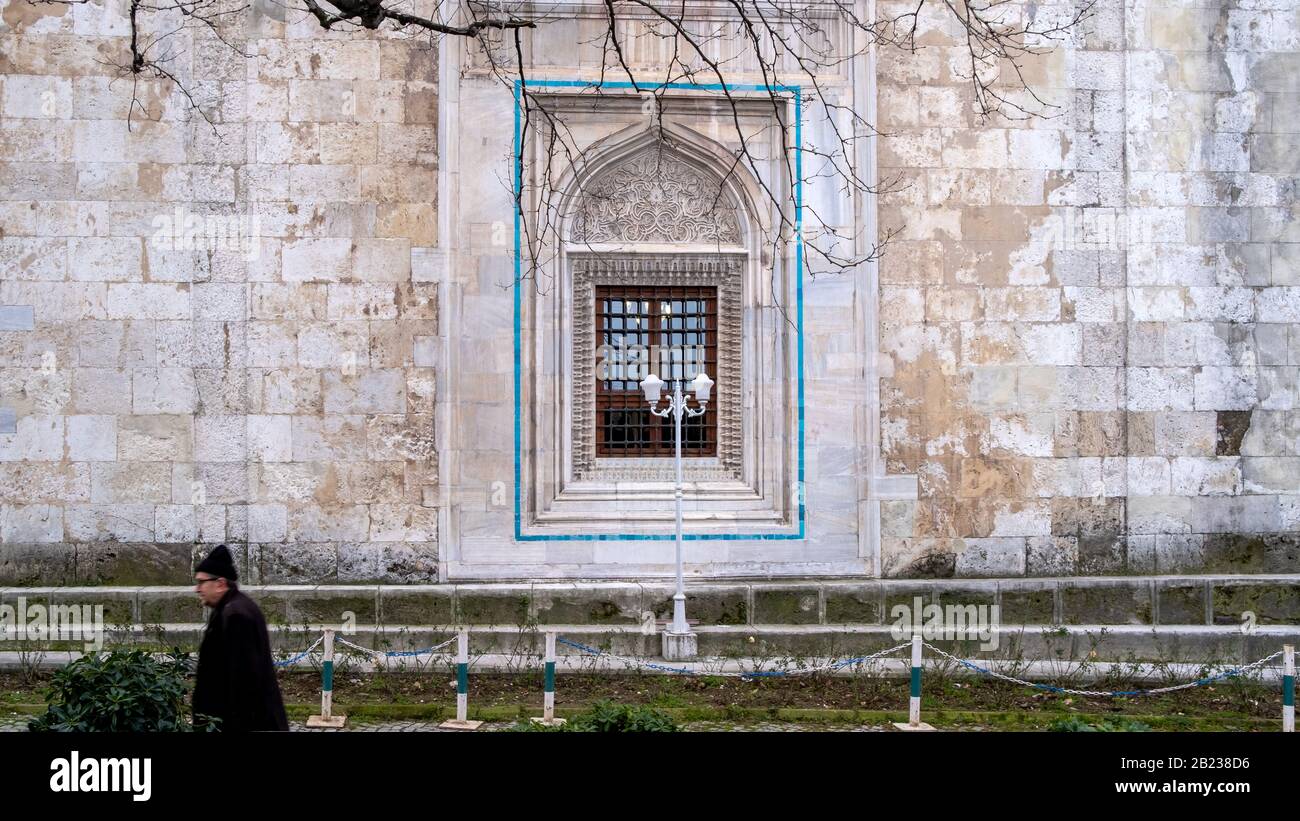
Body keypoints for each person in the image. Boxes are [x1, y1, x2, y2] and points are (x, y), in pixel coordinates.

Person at [191, 545, 289, 731]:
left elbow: (244, 682)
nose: (197, 589)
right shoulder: (228, 608)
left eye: (202, 582)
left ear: (220, 584)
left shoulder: (237, 615)